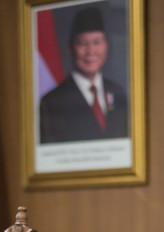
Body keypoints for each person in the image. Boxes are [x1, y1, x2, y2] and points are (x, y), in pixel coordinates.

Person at [39, 5, 129, 144]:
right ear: (70, 50)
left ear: (106, 46)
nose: (90, 51)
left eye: (97, 42)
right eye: (83, 43)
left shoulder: (118, 94)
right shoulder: (52, 103)